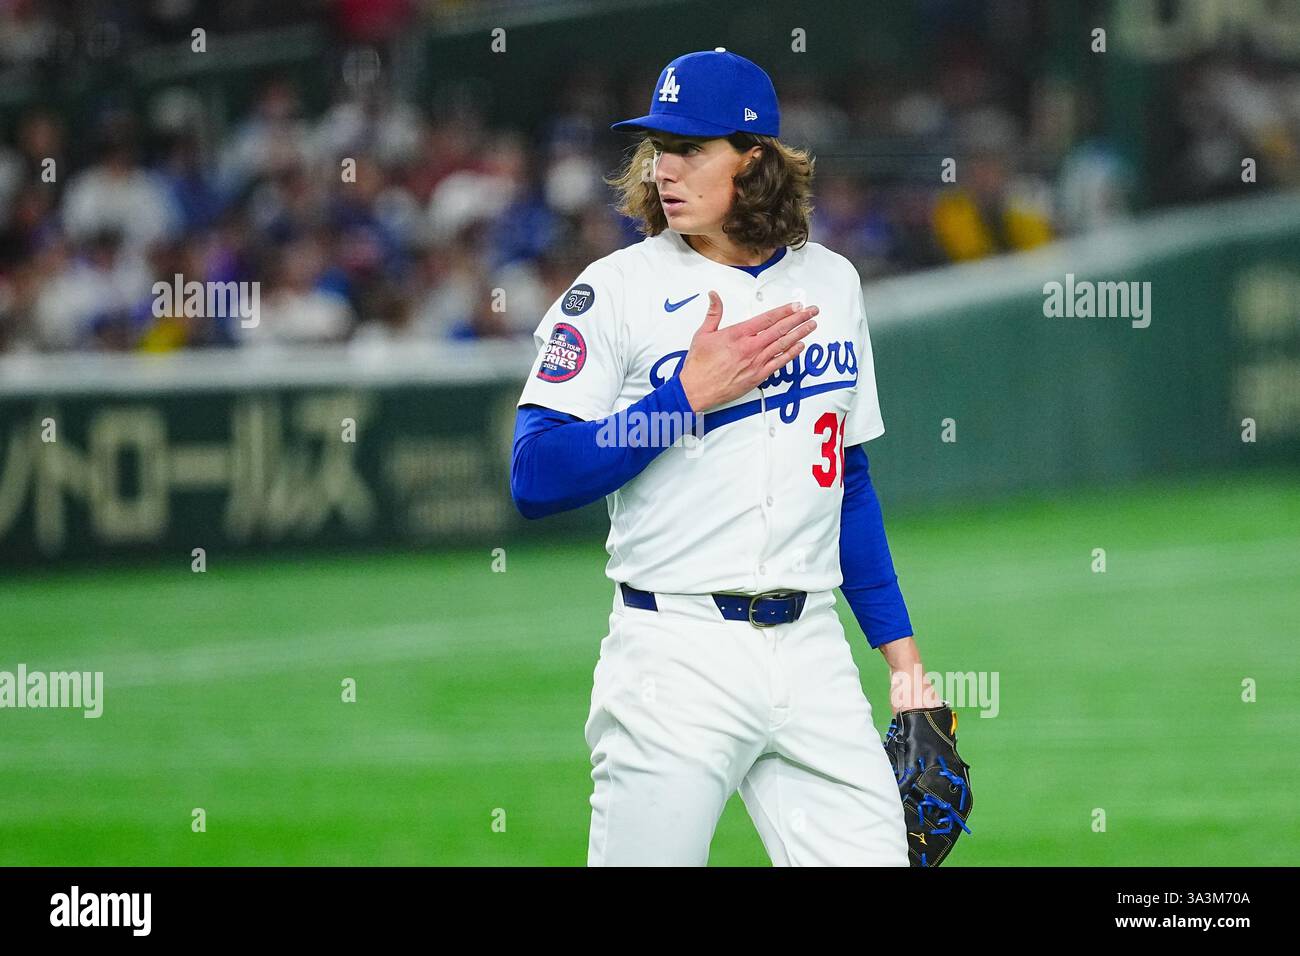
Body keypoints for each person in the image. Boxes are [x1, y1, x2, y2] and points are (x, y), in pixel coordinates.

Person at [511, 48, 949, 866]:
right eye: (657, 148)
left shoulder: (834, 284)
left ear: (755, 162)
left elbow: (845, 484)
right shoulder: (618, 289)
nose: (665, 168)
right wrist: (678, 402)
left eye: (690, 148)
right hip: (674, 652)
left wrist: (904, 660)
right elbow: (534, 476)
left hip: (811, 648)